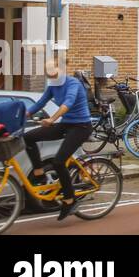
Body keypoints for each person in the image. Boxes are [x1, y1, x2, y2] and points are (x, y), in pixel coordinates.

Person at [22, 52, 93, 220]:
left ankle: (70, 199)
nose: (50, 75)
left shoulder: (73, 83)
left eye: (52, 72)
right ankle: (38, 171)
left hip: (81, 126)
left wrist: (52, 119)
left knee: (58, 161)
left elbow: (67, 103)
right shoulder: (53, 85)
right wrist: (24, 115)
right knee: (28, 137)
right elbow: (40, 103)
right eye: (48, 72)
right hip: (66, 124)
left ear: (61, 69)